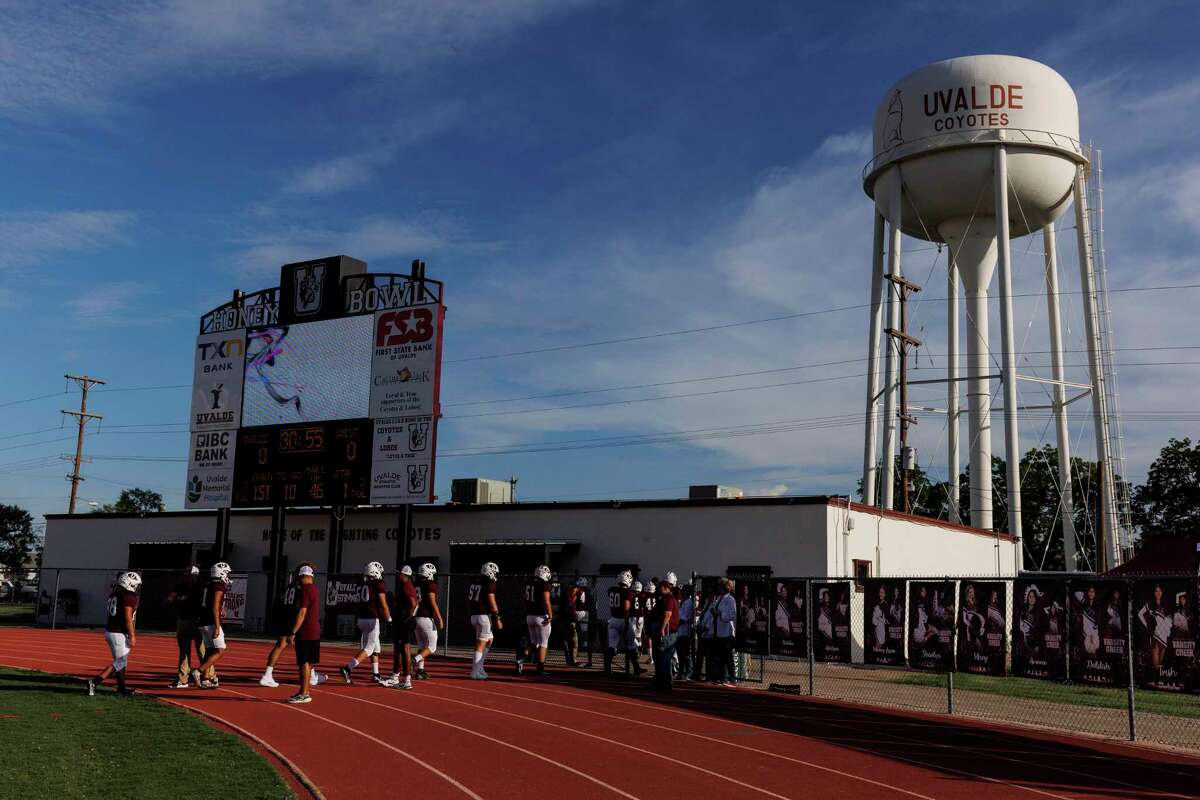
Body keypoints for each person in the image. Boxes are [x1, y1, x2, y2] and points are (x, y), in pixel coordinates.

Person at [88, 572, 142, 697]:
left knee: (121, 661)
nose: (137, 587)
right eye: (135, 584)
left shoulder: (116, 594)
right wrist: (132, 635)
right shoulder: (128, 596)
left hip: (111, 631)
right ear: (129, 583)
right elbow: (128, 618)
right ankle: (94, 682)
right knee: (120, 662)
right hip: (118, 633)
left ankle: (121, 689)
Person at [341, 561, 392, 685]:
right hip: (372, 619)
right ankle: (348, 668)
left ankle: (376, 674)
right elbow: (383, 604)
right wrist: (389, 619)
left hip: (361, 618)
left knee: (375, 648)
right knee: (369, 649)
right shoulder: (378, 584)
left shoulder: (361, 584)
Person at [193, 562, 232, 689]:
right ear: (222, 573)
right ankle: (198, 672)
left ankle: (205, 678)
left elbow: (211, 604)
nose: (228, 575)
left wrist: (221, 609)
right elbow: (215, 607)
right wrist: (217, 625)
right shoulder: (219, 585)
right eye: (227, 572)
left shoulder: (208, 584)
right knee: (220, 651)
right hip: (210, 621)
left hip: (203, 621)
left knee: (209, 651)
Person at [287, 564, 322, 704]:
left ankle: (304, 692)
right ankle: (305, 691)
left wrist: (293, 631)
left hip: (306, 632)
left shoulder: (305, 591)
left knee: (303, 663)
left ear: (302, 576)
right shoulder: (314, 589)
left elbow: (302, 612)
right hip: (315, 631)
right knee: (309, 663)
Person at [168, 566, 205, 689]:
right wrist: (178, 600)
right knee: (184, 652)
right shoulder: (180, 587)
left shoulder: (200, 588)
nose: (187, 578)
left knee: (202, 651)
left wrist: (180, 600)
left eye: (189, 576)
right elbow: (170, 599)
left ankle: (207, 676)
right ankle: (183, 679)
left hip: (197, 621)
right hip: (183, 620)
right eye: (186, 576)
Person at [384, 565, 418, 690]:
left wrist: (407, 617)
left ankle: (407, 679)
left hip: (404, 622)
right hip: (401, 621)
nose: (398, 575)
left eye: (401, 574)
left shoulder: (407, 586)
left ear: (406, 575)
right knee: (399, 649)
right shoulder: (405, 586)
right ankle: (396, 676)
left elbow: (413, 603)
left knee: (405, 649)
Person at [468, 562, 502, 680]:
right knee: (481, 644)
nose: (495, 575)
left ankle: (479, 666)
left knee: (489, 640)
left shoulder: (475, 580)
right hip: (483, 616)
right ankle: (475, 671)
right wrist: (497, 618)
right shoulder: (488, 582)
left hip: (475, 615)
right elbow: (492, 602)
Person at [519, 565, 554, 678]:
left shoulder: (529, 583)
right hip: (541, 616)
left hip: (530, 616)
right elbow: (546, 601)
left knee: (534, 642)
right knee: (543, 643)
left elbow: (524, 600)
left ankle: (521, 659)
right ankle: (540, 669)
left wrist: (527, 612)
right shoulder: (544, 584)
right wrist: (550, 615)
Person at [649, 572, 680, 690]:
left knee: (664, 657)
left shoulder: (668, 599)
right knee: (658, 657)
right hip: (663, 631)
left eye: (660, 587)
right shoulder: (663, 599)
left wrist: (661, 628)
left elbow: (668, 614)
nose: (657, 589)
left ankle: (666, 682)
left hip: (668, 632)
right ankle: (659, 680)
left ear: (666, 587)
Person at [412, 563, 442, 680]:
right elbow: (432, 601)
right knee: (432, 647)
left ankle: (420, 670)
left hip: (416, 617)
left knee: (422, 645)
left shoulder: (417, 584)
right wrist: (439, 616)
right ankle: (413, 661)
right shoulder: (430, 584)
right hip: (425, 617)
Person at [605, 570, 635, 675]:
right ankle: (635, 667)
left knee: (612, 645)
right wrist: (627, 623)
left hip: (613, 619)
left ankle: (607, 668)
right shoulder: (628, 593)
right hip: (622, 619)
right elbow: (626, 608)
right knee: (631, 644)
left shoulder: (611, 590)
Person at [709, 578, 737, 687]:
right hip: (718, 631)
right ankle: (722, 678)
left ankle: (732, 678)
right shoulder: (719, 599)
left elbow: (732, 615)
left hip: (727, 632)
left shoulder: (730, 599)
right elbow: (714, 610)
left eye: (720, 586)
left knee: (728, 656)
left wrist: (720, 614)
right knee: (720, 657)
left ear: (725, 588)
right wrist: (714, 611)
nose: (718, 588)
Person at [562, 577, 586, 667]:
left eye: (575, 588)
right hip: (567, 619)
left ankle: (571, 659)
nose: (575, 590)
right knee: (570, 640)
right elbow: (569, 608)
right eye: (573, 588)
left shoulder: (572, 595)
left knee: (571, 640)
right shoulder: (568, 596)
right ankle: (570, 659)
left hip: (568, 620)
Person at [676, 584, 695, 681]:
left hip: (685, 632)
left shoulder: (689, 603)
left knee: (685, 653)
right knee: (680, 653)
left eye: (684, 591)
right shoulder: (682, 602)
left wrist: (674, 624)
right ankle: (681, 672)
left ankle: (688, 672)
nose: (681, 592)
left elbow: (684, 618)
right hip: (679, 632)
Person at [628, 581, 646, 673]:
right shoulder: (642, 596)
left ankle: (638, 647)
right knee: (638, 635)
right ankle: (639, 647)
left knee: (632, 636)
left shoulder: (631, 595)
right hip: (641, 617)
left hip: (633, 616)